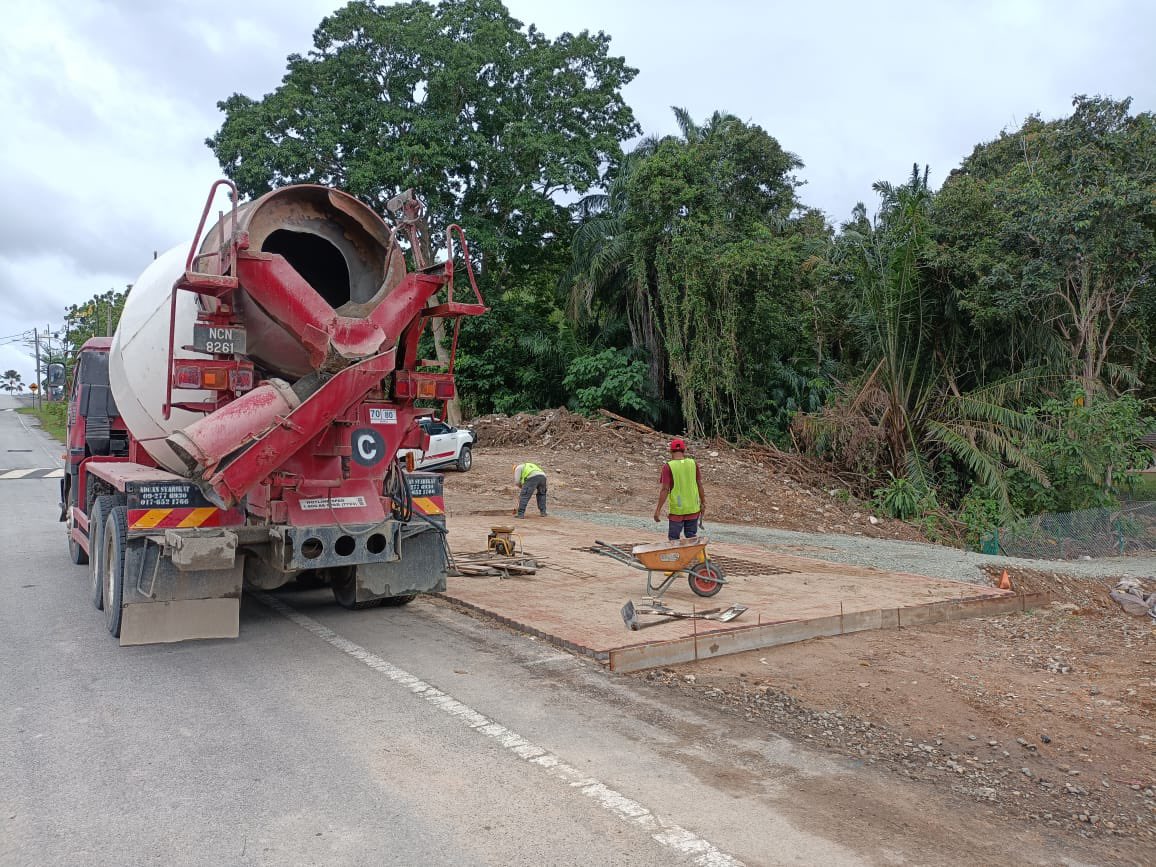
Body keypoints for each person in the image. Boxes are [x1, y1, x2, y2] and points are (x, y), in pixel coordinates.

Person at [653, 438, 705, 540]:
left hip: (677, 511)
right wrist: (703, 502)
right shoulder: (693, 463)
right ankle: (692, 556)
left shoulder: (668, 467)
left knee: (673, 539)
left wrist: (658, 510)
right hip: (693, 509)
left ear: (671, 451)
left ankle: (678, 556)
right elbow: (699, 484)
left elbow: (665, 489)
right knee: (691, 537)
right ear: (684, 450)